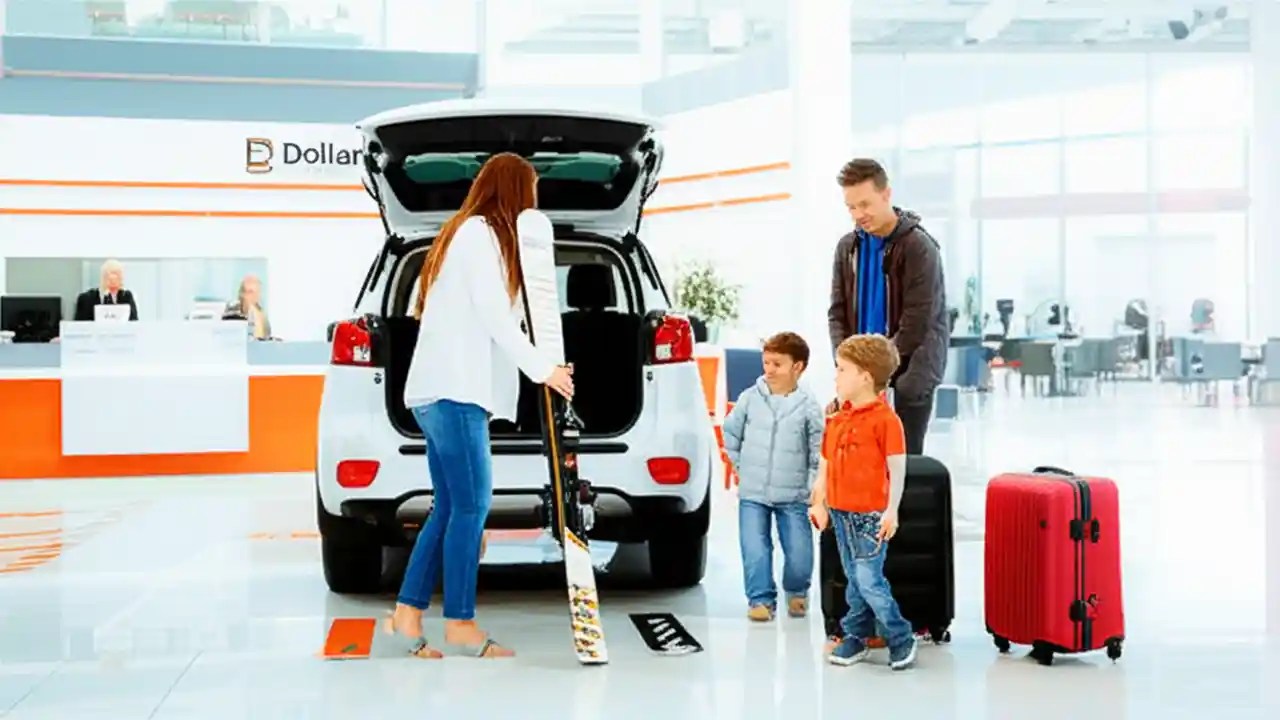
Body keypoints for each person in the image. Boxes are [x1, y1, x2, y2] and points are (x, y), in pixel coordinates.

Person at [385, 153, 575, 660]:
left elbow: (504, 315)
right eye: (530, 189)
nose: (534, 201)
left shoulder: (476, 237)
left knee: (450, 507)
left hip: (447, 391)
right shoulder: (476, 235)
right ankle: (461, 623)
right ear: (514, 189)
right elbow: (495, 316)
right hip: (453, 391)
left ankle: (407, 614)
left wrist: (542, 357)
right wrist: (545, 371)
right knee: (471, 507)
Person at [821, 158, 948, 647]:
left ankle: (906, 611)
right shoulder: (847, 248)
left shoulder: (919, 247)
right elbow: (837, 310)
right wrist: (847, 362)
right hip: (863, 380)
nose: (858, 214)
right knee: (852, 493)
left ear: (886, 193)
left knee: (898, 488)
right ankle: (859, 615)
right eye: (851, 206)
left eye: (866, 204)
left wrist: (876, 373)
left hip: (908, 378)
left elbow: (919, 319)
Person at [809, 334, 917, 671]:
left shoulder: (886, 421)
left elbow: (897, 470)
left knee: (869, 580)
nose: (836, 376)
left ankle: (900, 636)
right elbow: (825, 464)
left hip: (870, 515)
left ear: (866, 376)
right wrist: (819, 502)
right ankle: (855, 635)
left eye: (842, 369)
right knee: (854, 580)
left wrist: (891, 511)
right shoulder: (837, 419)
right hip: (840, 511)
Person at [722, 331, 824, 622]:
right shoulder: (749, 399)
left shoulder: (808, 407)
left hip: (794, 495)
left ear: (798, 367)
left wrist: (811, 486)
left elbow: (818, 451)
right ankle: (760, 599)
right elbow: (731, 434)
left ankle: (797, 592)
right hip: (753, 493)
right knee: (754, 548)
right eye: (766, 363)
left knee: (799, 553)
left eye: (777, 364)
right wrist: (742, 468)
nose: (769, 370)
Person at [73, 259, 138, 321]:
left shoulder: (127, 297)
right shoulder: (85, 299)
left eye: (119, 275)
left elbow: (134, 324)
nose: (114, 278)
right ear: (103, 277)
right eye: (110, 274)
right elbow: (78, 327)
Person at [222, 274, 272, 340]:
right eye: (250, 292)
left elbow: (266, 339)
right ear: (242, 294)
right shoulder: (232, 312)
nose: (255, 296)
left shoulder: (261, 315)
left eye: (257, 292)